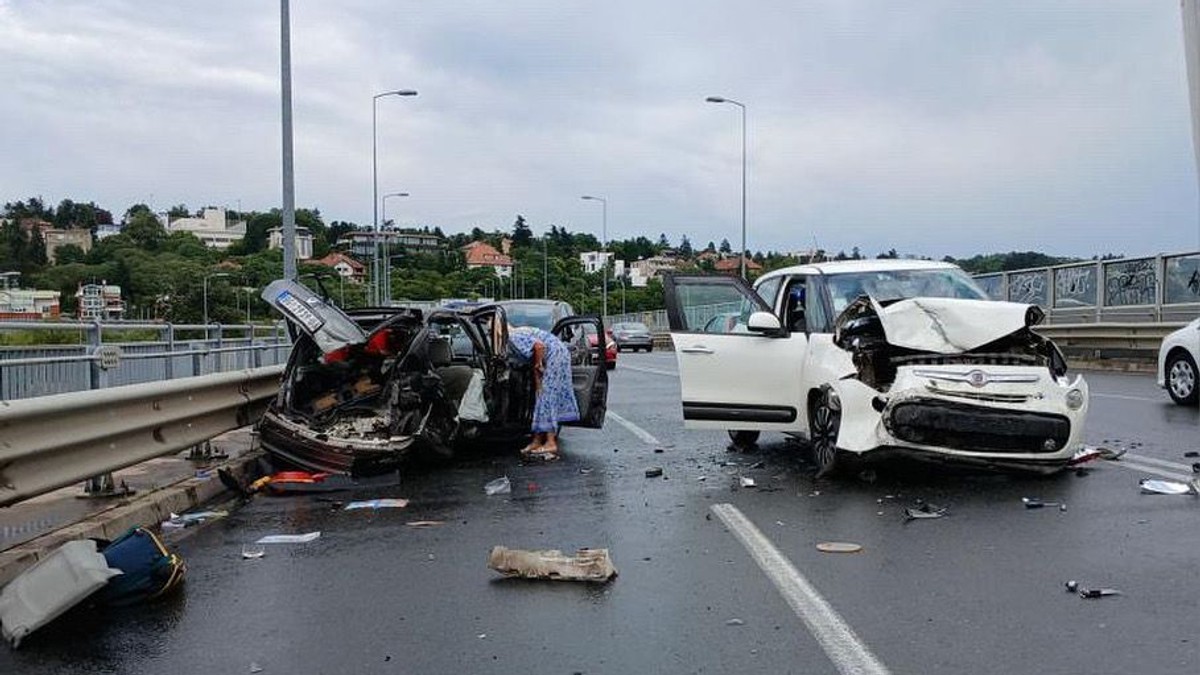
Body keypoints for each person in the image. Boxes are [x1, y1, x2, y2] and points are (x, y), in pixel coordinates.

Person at [506, 325, 579, 458]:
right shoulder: (519, 332)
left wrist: (538, 365)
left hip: (555, 357)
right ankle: (537, 441)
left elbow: (539, 347)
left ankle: (550, 442)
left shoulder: (513, 336)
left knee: (546, 398)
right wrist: (538, 381)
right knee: (540, 396)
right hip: (557, 354)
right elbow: (534, 354)